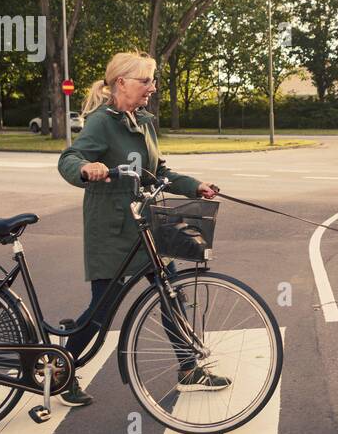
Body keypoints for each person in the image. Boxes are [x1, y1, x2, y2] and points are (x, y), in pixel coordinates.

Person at [55, 51, 226, 407]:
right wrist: (88, 169)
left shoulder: (144, 121)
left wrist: (195, 186)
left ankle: (189, 368)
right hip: (113, 230)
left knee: (172, 295)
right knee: (102, 310)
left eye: (152, 80)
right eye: (145, 80)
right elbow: (70, 159)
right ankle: (63, 370)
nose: (152, 87)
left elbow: (159, 173)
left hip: (146, 226)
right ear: (122, 83)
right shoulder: (102, 122)